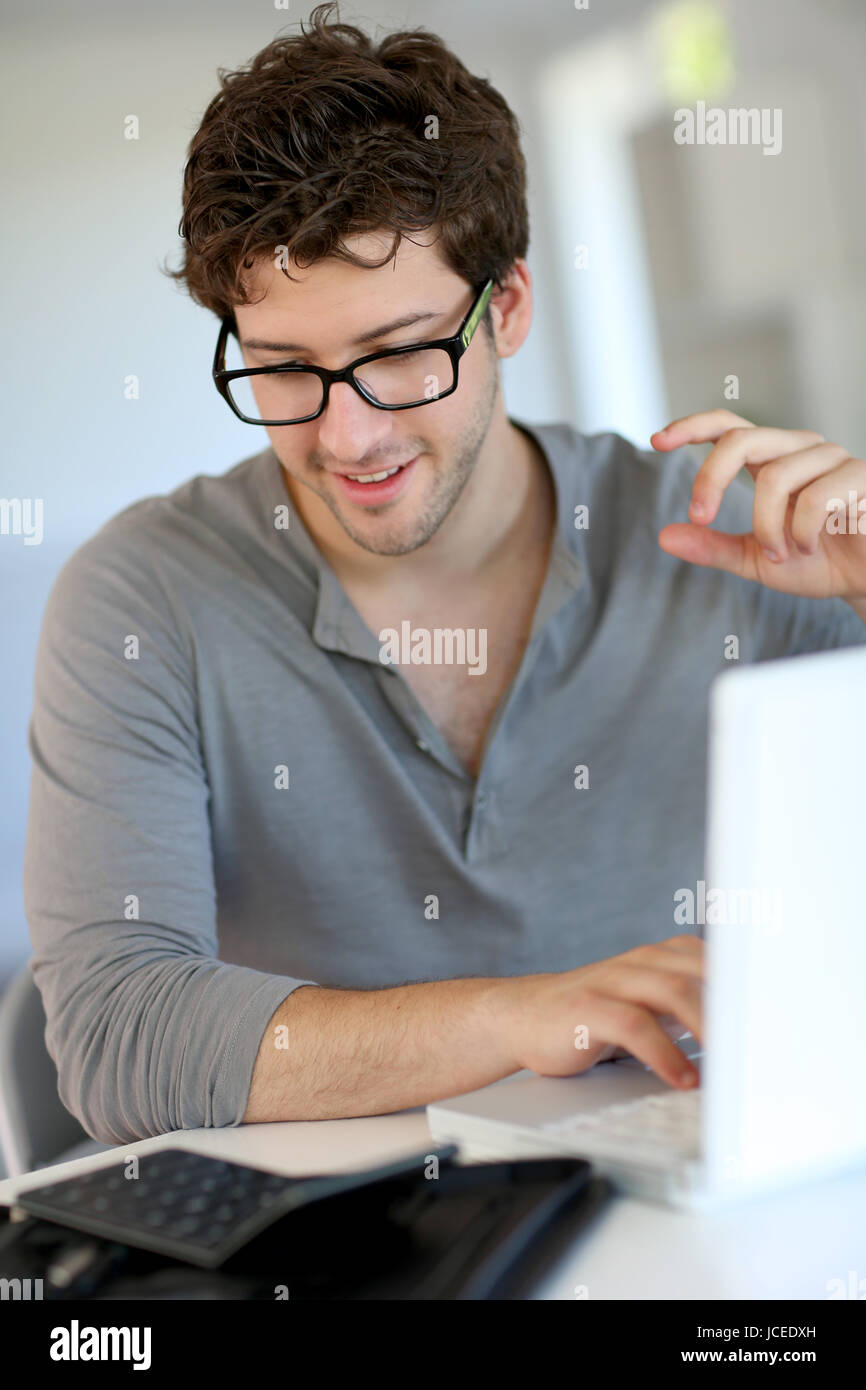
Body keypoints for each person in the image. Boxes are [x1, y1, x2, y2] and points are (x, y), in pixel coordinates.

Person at [23, 3, 866, 1144]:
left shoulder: (740, 538)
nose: (348, 438)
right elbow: (123, 1036)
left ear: (505, 306)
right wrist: (521, 1017)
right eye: (284, 370)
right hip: (337, 1243)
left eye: (399, 354)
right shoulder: (142, 597)